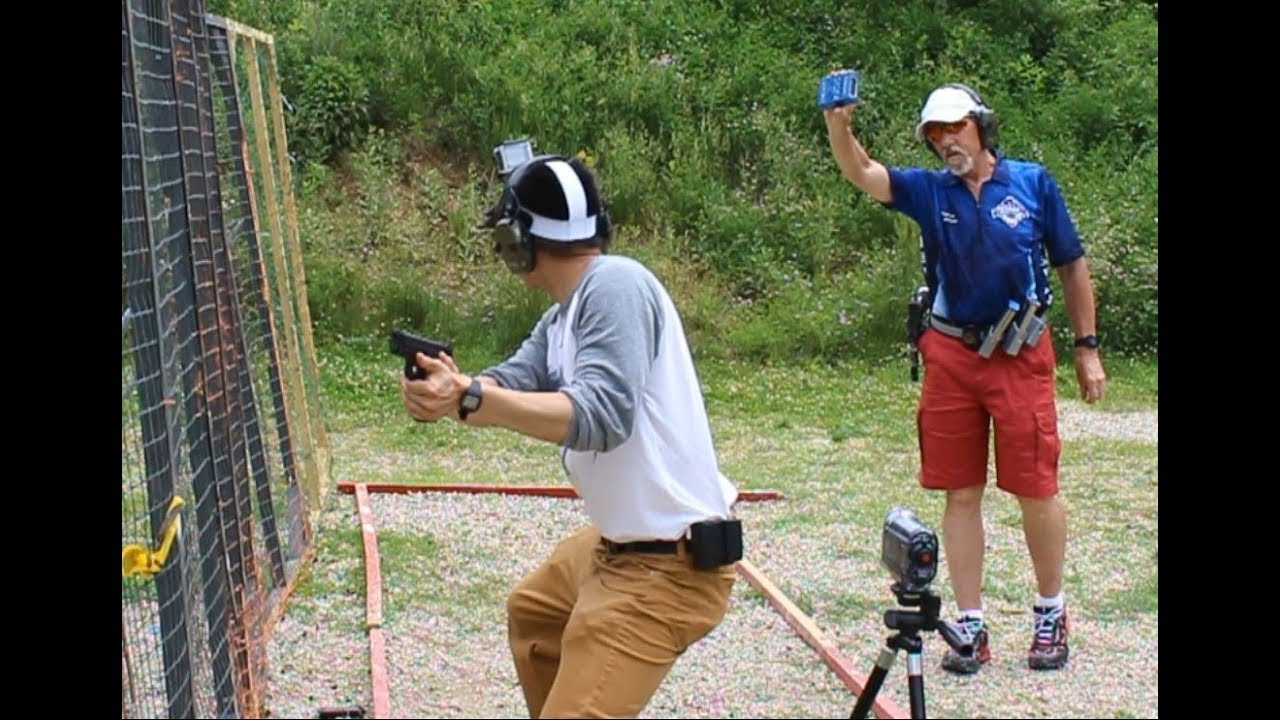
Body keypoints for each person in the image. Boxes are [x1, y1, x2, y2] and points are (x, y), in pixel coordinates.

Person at [400, 153, 742, 717]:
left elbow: (602, 417)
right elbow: (511, 381)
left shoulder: (616, 284)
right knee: (536, 613)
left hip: (673, 566)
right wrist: (450, 393)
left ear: (521, 240)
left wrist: (471, 396)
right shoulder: (565, 315)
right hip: (622, 546)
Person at [822, 83, 1107, 673]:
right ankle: (971, 625)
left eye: (955, 127)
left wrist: (1087, 347)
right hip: (952, 355)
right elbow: (863, 172)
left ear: (981, 125)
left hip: (1021, 352)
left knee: (1036, 485)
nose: (945, 140)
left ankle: (1050, 612)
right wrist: (838, 125)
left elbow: (1072, 263)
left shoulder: (1032, 183)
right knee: (960, 490)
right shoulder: (930, 191)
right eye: (935, 133)